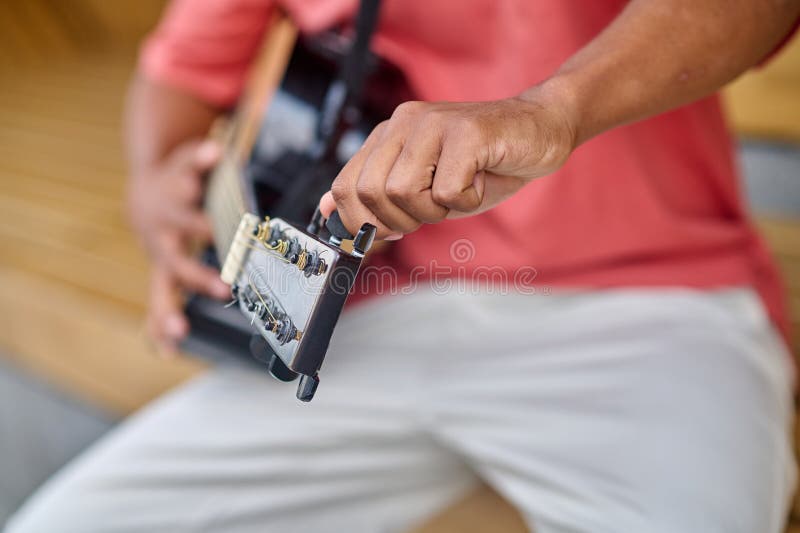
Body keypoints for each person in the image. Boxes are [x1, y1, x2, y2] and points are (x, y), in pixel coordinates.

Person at [7, 1, 800, 532]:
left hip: (653, 299)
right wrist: (154, 184)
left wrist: (552, 109)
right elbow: (180, 69)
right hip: (367, 313)